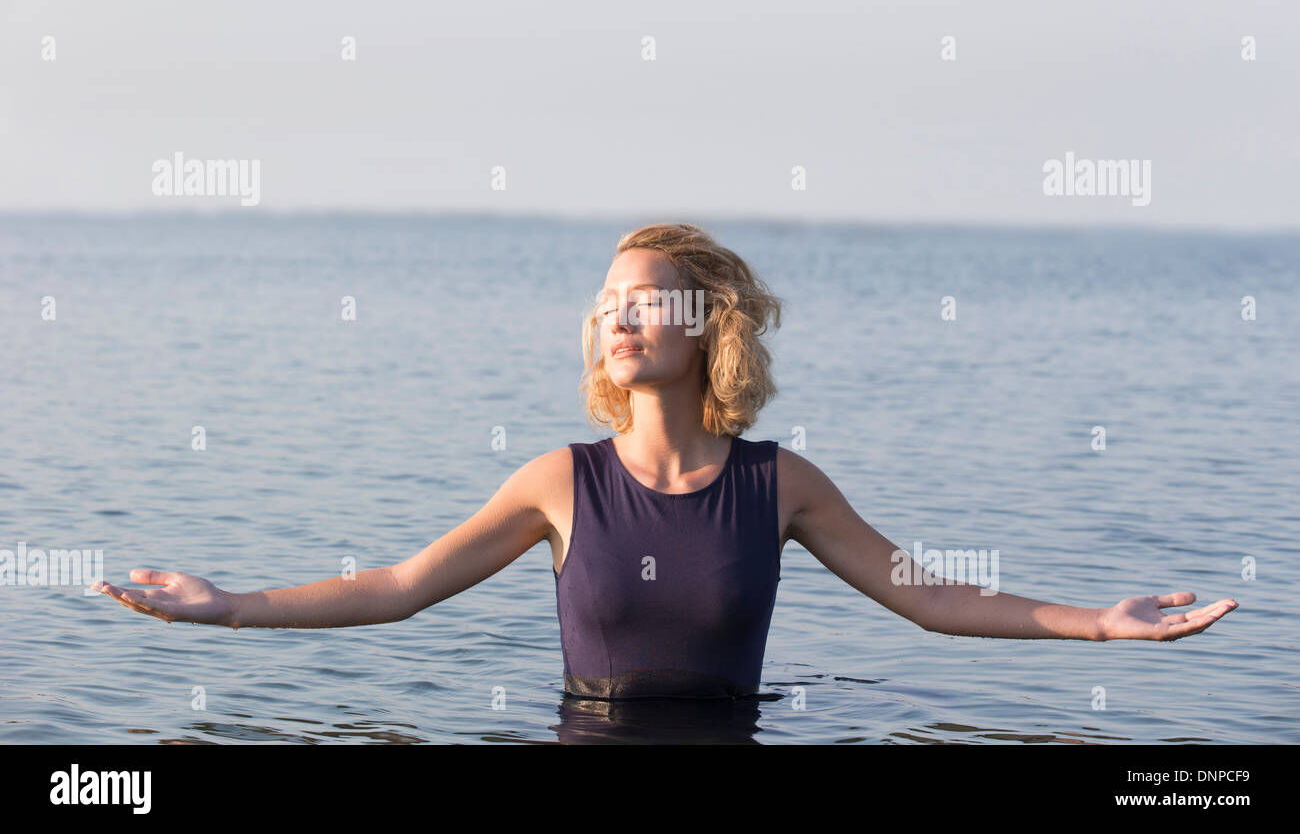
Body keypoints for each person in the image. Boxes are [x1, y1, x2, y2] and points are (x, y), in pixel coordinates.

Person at [94, 223, 1239, 701]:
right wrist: (227, 607)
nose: (618, 320)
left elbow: (928, 597)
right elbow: (399, 587)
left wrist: (1099, 622)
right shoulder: (558, 481)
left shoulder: (779, 485)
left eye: (647, 303)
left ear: (709, 327)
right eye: (606, 305)